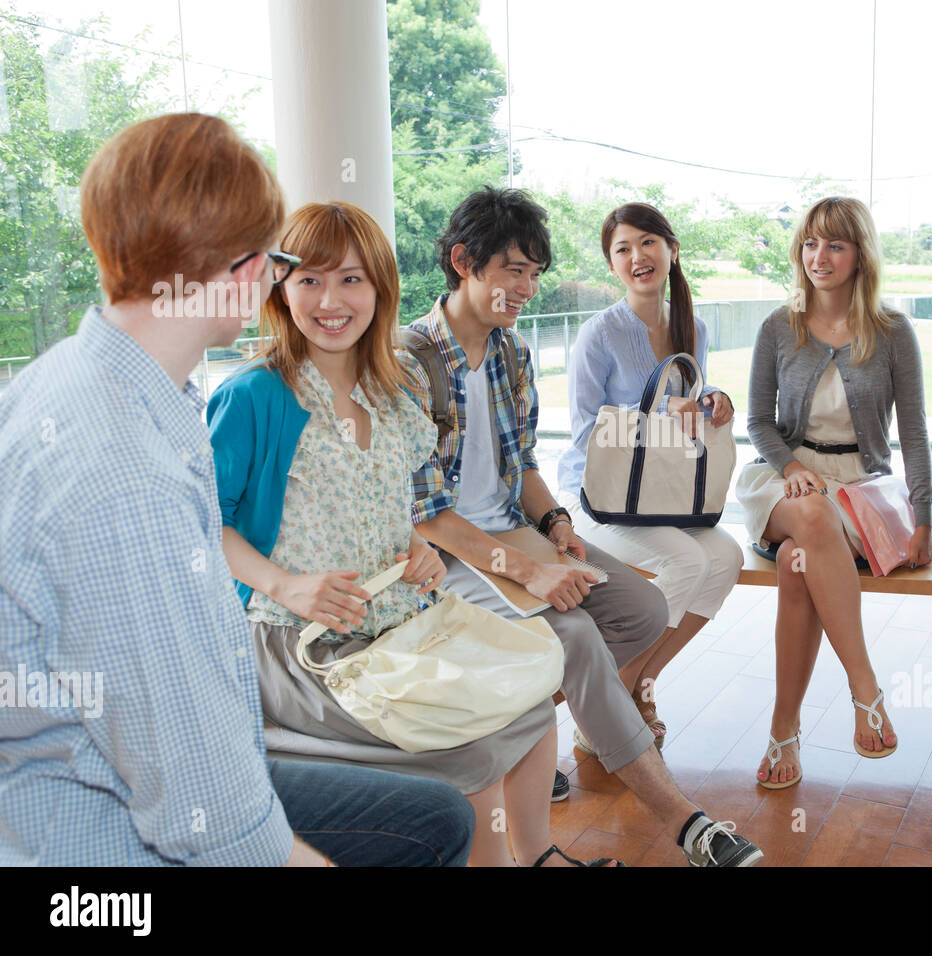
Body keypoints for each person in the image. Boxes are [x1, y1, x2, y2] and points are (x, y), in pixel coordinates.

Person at [0, 113, 473, 865]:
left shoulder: (88, 382)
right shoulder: (125, 470)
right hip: (97, 842)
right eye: (287, 263)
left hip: (113, 778)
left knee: (437, 817)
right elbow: (196, 810)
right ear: (251, 272)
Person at [207, 201, 601, 867]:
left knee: (532, 708)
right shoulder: (254, 395)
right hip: (299, 649)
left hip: (394, 627)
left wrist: (415, 550)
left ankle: (539, 857)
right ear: (280, 287)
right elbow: (195, 524)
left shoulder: (390, 393)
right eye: (309, 280)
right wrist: (286, 585)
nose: (331, 300)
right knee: (471, 748)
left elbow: (397, 511)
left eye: (352, 280)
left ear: (381, 288)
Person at [401, 186, 763, 866]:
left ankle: (545, 737)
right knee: (570, 635)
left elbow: (523, 467)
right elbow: (426, 515)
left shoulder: (510, 353)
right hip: (446, 554)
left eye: (535, 273)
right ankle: (688, 826)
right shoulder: (410, 360)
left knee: (643, 608)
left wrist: (557, 523)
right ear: (462, 261)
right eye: (514, 269)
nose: (528, 287)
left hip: (514, 530)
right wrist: (532, 570)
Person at [739, 196, 932, 789]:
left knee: (799, 564)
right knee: (812, 517)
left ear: (859, 255)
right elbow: (758, 422)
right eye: (810, 243)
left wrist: (922, 514)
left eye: (835, 245)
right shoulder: (778, 325)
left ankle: (783, 731)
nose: (818, 257)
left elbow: (916, 430)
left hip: (861, 487)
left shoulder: (893, 331)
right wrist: (793, 466)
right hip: (782, 477)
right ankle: (865, 689)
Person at [555, 202, 743, 749]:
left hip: (662, 495)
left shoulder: (694, 327)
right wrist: (663, 418)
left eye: (647, 243)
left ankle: (636, 682)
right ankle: (618, 703)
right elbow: (587, 433)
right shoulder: (599, 334)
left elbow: (683, 428)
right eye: (622, 249)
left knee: (726, 557)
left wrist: (711, 403)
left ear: (671, 249)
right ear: (612, 266)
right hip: (597, 497)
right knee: (685, 560)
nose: (637, 256)